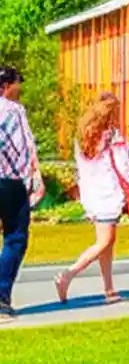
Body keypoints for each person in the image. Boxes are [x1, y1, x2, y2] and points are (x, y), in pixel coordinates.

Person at [55, 93, 129, 304]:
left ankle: (109, 288)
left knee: (107, 243)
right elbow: (123, 167)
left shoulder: (84, 137)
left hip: (92, 194)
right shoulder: (113, 136)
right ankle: (68, 274)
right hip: (109, 193)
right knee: (105, 241)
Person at [0, 66, 42, 323]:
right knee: (15, 237)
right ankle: (1, 297)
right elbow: (27, 146)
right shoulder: (14, 110)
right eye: (18, 84)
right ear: (7, 85)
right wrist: (35, 176)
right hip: (9, 180)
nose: (20, 89)